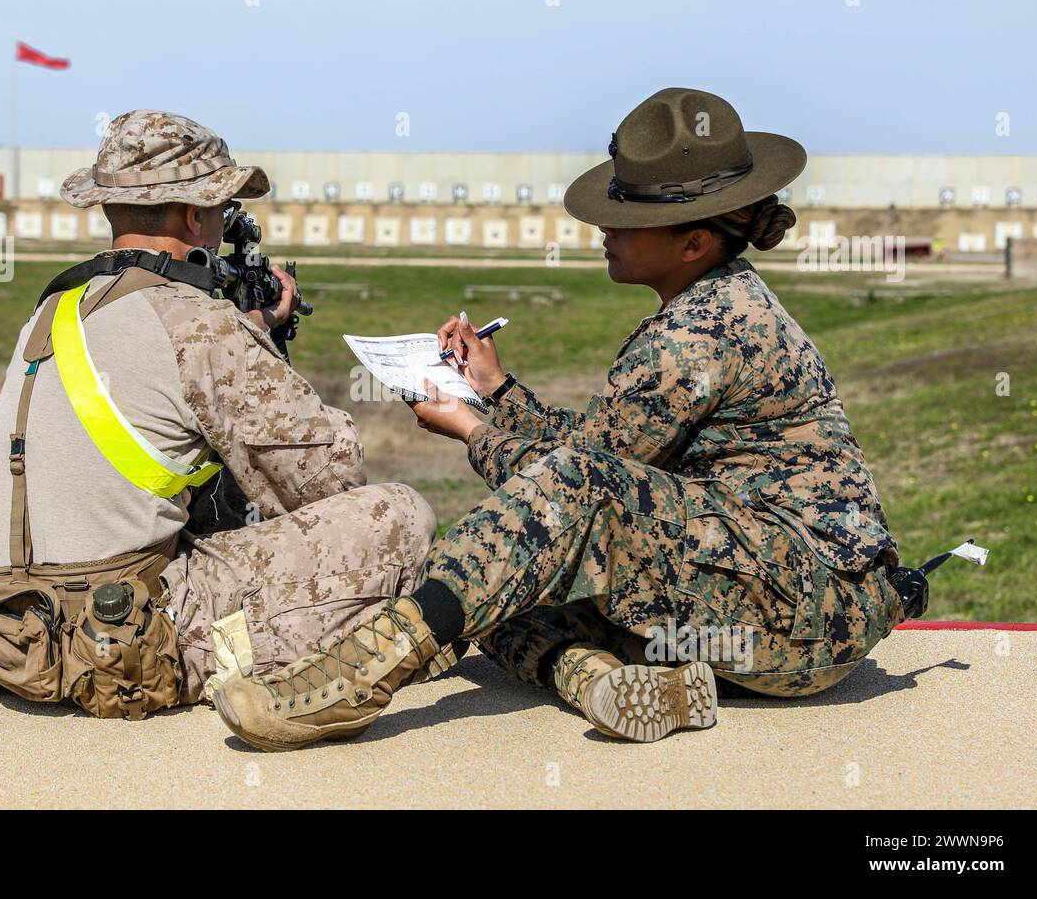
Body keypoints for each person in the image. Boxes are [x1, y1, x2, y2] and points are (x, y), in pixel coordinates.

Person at [213, 88, 922, 751]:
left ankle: (350, 682)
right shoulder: (714, 305)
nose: (604, 229)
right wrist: (497, 387)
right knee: (493, 587)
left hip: (806, 614)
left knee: (511, 551)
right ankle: (601, 680)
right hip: (759, 607)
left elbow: (577, 483)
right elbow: (600, 452)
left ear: (693, 243)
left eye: (627, 219)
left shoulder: (699, 338)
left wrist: (472, 429)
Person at [0, 110, 437, 708]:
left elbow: (155, 377)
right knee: (400, 516)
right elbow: (330, 483)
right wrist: (258, 347)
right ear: (194, 214)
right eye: (221, 208)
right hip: (116, 637)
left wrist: (246, 331)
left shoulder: (52, 309)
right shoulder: (203, 328)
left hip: (4, 622)